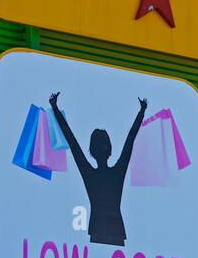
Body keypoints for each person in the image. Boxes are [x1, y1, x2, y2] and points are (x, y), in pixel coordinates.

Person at [49, 92, 147, 247]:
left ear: (92, 150)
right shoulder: (117, 173)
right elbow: (130, 139)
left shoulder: (91, 175)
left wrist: (55, 108)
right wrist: (142, 112)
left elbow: (71, 140)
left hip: (98, 230)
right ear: (110, 149)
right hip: (115, 231)